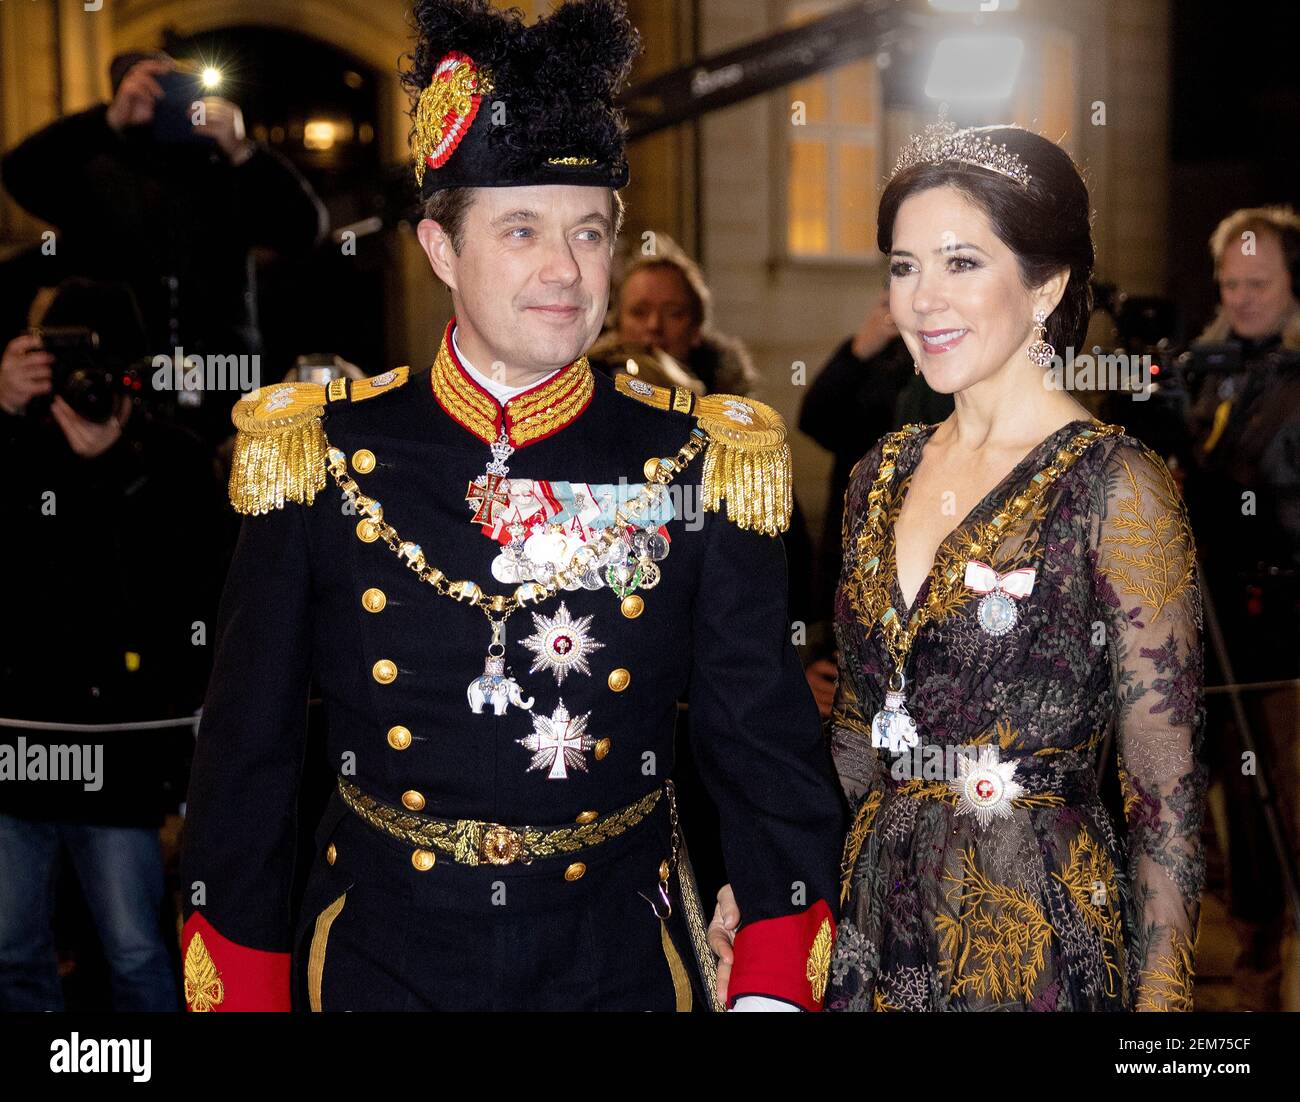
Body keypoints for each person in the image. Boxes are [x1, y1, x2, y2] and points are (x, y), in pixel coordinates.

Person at [178, 0, 843, 1014]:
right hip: (377, 961)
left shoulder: (699, 458)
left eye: (588, 232)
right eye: (521, 229)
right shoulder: (320, 453)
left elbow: (763, 748)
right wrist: (242, 984)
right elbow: (246, 755)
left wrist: (771, 982)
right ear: (441, 249)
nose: (564, 270)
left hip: (616, 961)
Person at [710, 118, 1207, 1011]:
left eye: (961, 263)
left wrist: (1161, 1020)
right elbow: (858, 734)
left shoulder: (1116, 486)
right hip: (870, 934)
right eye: (905, 267)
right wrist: (772, 882)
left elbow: (1164, 801)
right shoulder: (879, 473)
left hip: (1035, 941)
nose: (923, 300)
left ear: (1047, 284)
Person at [0, 279, 224, 1010]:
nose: (85, 379)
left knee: (136, 951)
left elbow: (194, 595)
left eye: (99, 359)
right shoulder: (14, 446)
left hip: (124, 753)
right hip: (15, 741)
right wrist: (4, 412)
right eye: (63, 357)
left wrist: (114, 461)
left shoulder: (172, 457)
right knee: (11, 950)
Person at [0, 50, 327, 449]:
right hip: (119, 392)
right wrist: (106, 121)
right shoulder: (94, 167)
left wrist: (244, 152)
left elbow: (304, 230)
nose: (160, 99)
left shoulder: (218, 166)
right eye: (145, 87)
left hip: (221, 384)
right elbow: (19, 173)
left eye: (171, 85)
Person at [1183, 205, 1300, 1010]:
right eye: (1230, 283)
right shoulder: (1204, 368)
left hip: (1281, 639)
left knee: (1273, 817)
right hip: (1206, 624)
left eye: (1258, 282)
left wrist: (1230, 489)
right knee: (1200, 810)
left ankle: (1266, 972)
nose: (1242, 298)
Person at [798, 292, 953, 717]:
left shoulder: (958, 371)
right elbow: (815, 418)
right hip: (852, 571)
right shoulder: (879, 361)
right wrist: (857, 350)